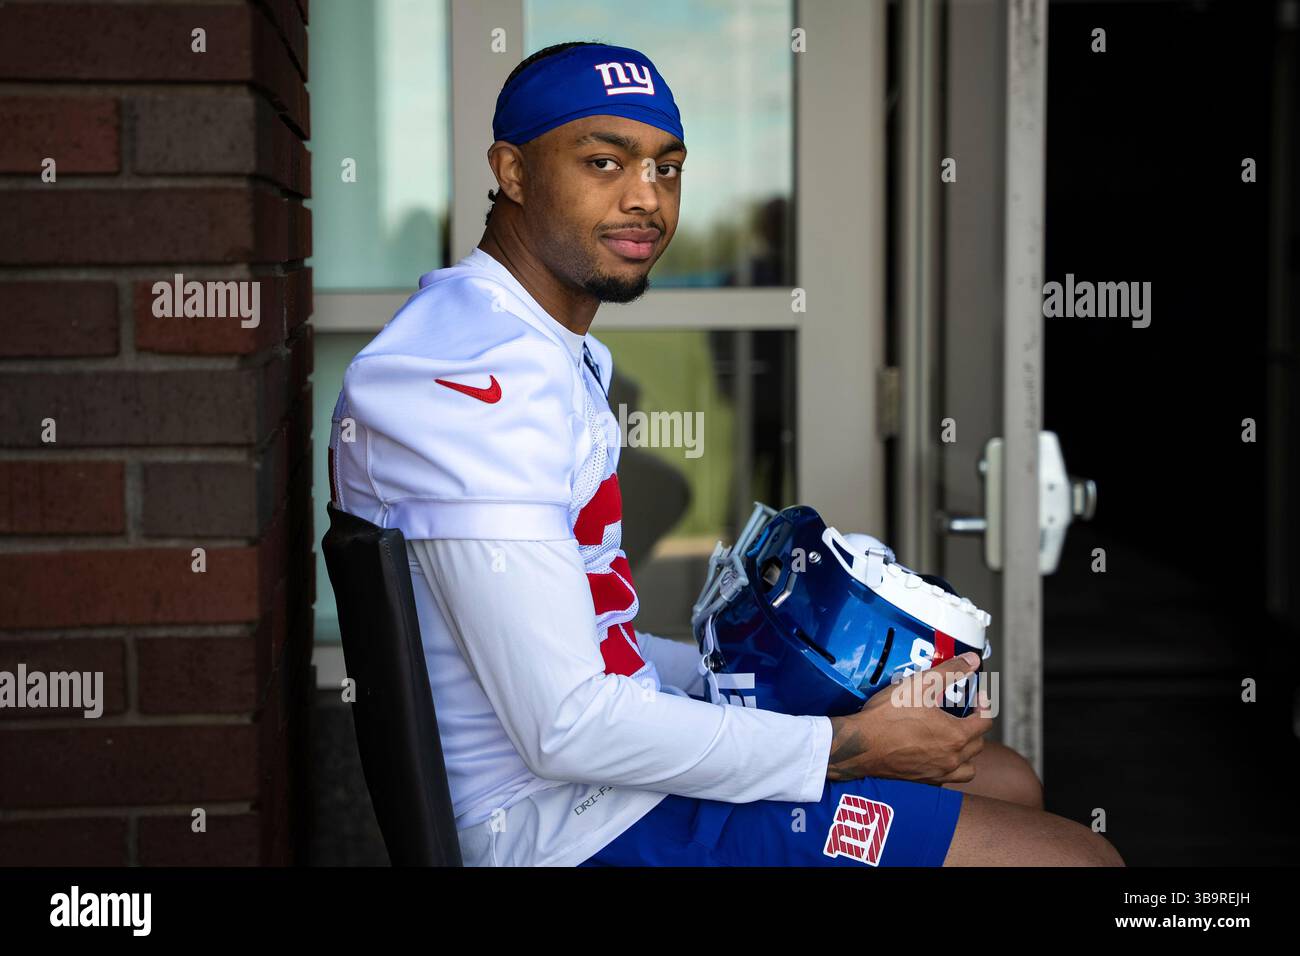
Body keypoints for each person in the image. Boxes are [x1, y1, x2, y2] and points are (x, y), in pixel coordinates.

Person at [328, 40, 1123, 867]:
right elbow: (566, 725)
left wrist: (788, 687)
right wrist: (848, 743)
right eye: (604, 162)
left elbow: (599, 642)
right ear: (513, 171)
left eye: (667, 168)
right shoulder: (472, 374)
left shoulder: (530, 341)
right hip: (563, 829)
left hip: (605, 785)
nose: (647, 197)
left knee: (1007, 780)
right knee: (1080, 862)